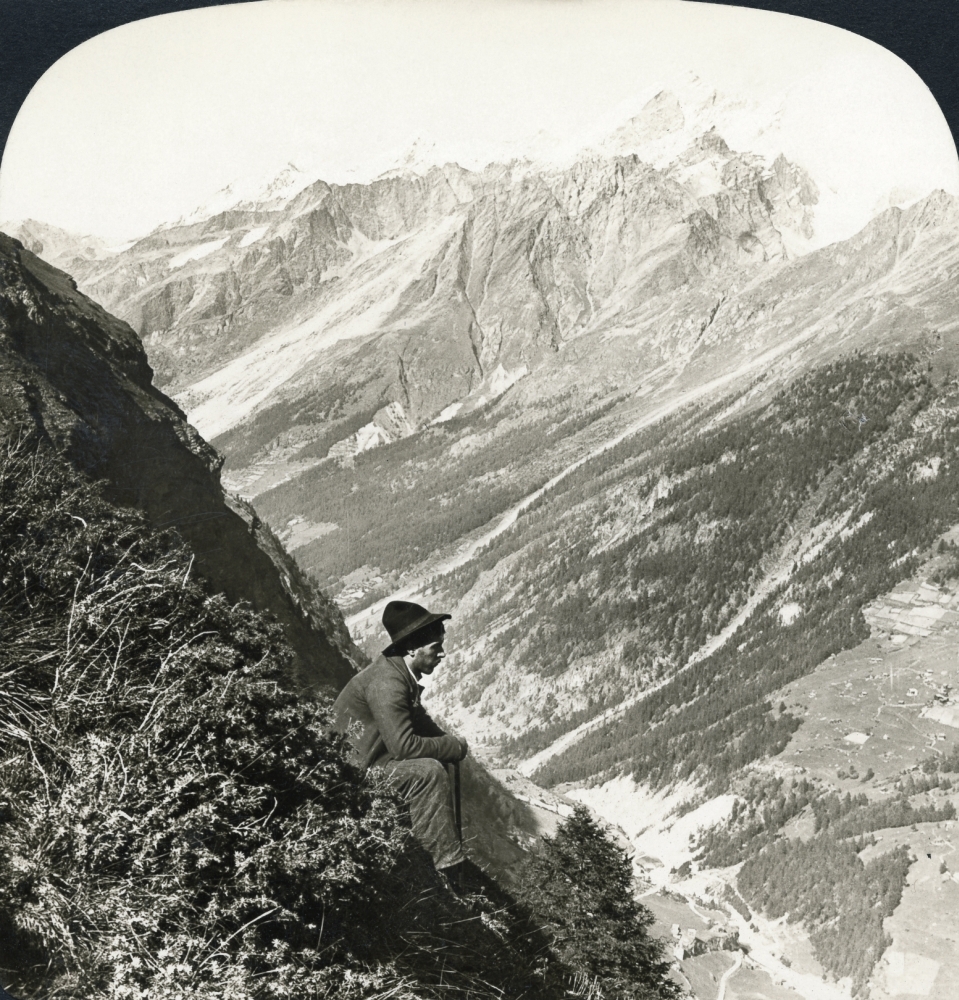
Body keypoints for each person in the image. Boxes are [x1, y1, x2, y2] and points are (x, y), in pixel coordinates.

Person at [333, 599, 468, 877]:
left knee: (431, 765)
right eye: (436, 647)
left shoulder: (397, 672)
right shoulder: (388, 683)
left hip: (362, 765)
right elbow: (404, 746)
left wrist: (448, 743)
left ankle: (435, 852)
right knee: (427, 772)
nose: (442, 654)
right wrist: (451, 747)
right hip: (347, 777)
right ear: (411, 648)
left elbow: (417, 719)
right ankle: (447, 866)